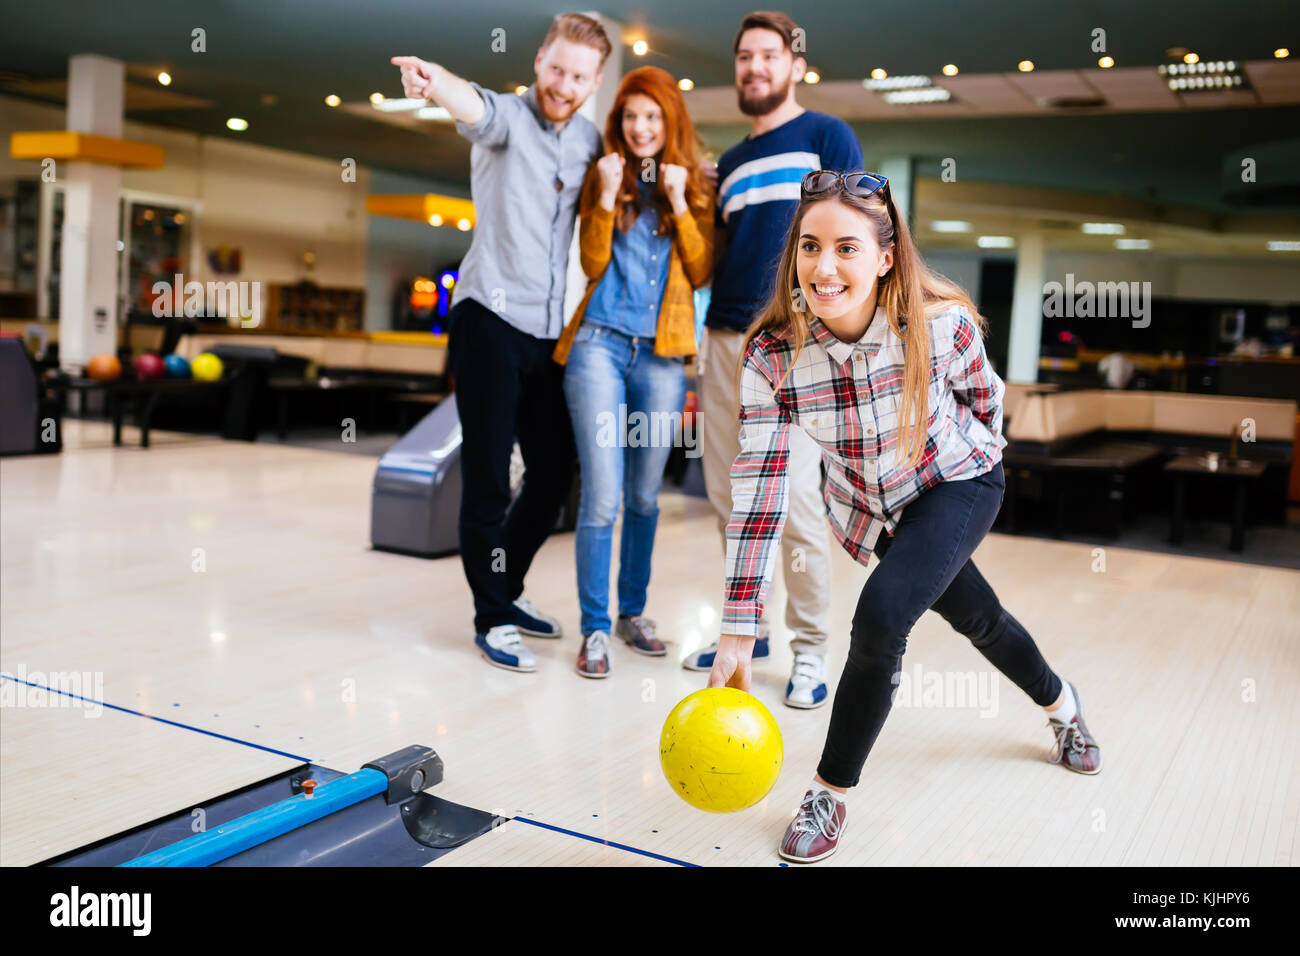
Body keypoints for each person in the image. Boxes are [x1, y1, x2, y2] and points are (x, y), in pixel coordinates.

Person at [707, 169, 1102, 863]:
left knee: (883, 614)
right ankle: (1064, 706)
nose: (822, 268)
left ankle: (829, 791)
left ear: (885, 257)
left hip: (959, 480)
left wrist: (969, 466)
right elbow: (760, 488)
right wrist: (738, 629)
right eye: (809, 246)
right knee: (981, 618)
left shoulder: (939, 323)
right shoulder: (773, 355)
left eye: (846, 248)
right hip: (872, 510)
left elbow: (985, 402)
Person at [390, 14, 610, 673]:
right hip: (488, 318)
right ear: (538, 61)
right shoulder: (508, 119)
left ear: (594, 81)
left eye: (578, 76)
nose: (563, 84)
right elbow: (471, 103)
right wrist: (434, 83)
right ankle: (491, 616)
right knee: (488, 475)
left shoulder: (592, 141)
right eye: (555, 69)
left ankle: (505, 591)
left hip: (547, 332)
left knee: (553, 471)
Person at [685, 10, 862, 710]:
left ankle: (812, 651)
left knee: (792, 504)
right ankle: (746, 629)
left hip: (796, 344)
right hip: (726, 341)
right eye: (743, 58)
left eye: (767, 56)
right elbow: (720, 258)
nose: (753, 68)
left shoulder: (825, 137)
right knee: (730, 502)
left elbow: (851, 233)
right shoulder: (729, 164)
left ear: (795, 66)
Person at [552, 67, 714, 678]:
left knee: (645, 496)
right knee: (602, 495)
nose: (640, 128)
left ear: (670, 122)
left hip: (664, 355)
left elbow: (702, 271)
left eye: (652, 116)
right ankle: (594, 627)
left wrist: (676, 200)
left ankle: (632, 612)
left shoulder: (693, 186)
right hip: (598, 345)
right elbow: (591, 262)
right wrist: (600, 196)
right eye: (629, 117)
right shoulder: (607, 180)